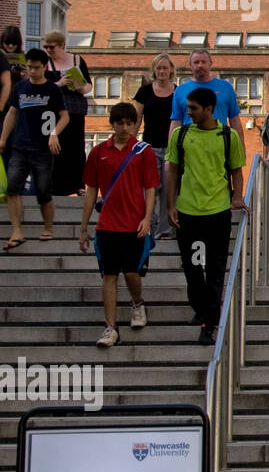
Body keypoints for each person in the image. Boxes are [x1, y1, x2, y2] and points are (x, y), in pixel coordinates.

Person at [166, 86, 247, 345]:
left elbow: (236, 169)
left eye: (193, 109)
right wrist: (170, 205)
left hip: (218, 211)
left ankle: (208, 324)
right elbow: (172, 170)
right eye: (187, 108)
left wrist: (237, 196)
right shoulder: (180, 134)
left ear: (209, 109)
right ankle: (202, 309)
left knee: (215, 270)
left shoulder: (228, 135)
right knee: (191, 268)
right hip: (187, 210)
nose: (188, 113)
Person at [80, 102, 158, 347]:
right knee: (109, 274)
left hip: (134, 223)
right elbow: (91, 190)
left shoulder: (142, 151)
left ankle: (137, 302)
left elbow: (150, 188)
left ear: (136, 124)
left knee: (132, 273)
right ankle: (110, 327)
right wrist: (84, 227)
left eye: (129, 123)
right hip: (107, 225)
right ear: (112, 124)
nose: (125, 128)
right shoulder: (98, 152)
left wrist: (147, 218)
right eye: (120, 123)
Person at [2, 48, 68, 249]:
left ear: (45, 67)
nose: (32, 71)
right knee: (13, 187)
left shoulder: (52, 90)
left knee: (43, 191)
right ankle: (16, 230)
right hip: (20, 146)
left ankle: (48, 227)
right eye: (29, 67)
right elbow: (12, 113)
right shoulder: (20, 88)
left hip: (43, 149)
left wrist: (54, 134)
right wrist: (3, 139)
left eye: (36, 67)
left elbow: (64, 116)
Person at [42, 31, 93, 196]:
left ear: (62, 46)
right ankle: (53, 184)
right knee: (53, 145)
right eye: (46, 47)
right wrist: (59, 83)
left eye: (52, 47)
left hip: (75, 108)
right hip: (52, 111)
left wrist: (80, 86)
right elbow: (41, 88)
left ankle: (77, 184)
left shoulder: (77, 60)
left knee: (75, 145)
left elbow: (88, 86)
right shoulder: (45, 63)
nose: (49, 50)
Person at [132, 53, 177, 240]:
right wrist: (131, 145)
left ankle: (166, 229)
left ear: (171, 70)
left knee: (169, 189)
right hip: (149, 146)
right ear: (153, 70)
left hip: (171, 148)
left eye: (165, 68)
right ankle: (150, 224)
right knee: (150, 187)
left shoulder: (178, 91)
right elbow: (135, 120)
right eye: (158, 68)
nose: (162, 71)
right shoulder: (144, 92)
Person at [168, 48, 240, 137]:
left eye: (203, 62)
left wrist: (241, 148)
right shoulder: (180, 90)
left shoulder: (226, 87)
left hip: (219, 144)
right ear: (190, 65)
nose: (200, 65)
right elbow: (176, 121)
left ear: (210, 64)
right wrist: (171, 148)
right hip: (190, 144)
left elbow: (234, 120)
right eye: (196, 62)